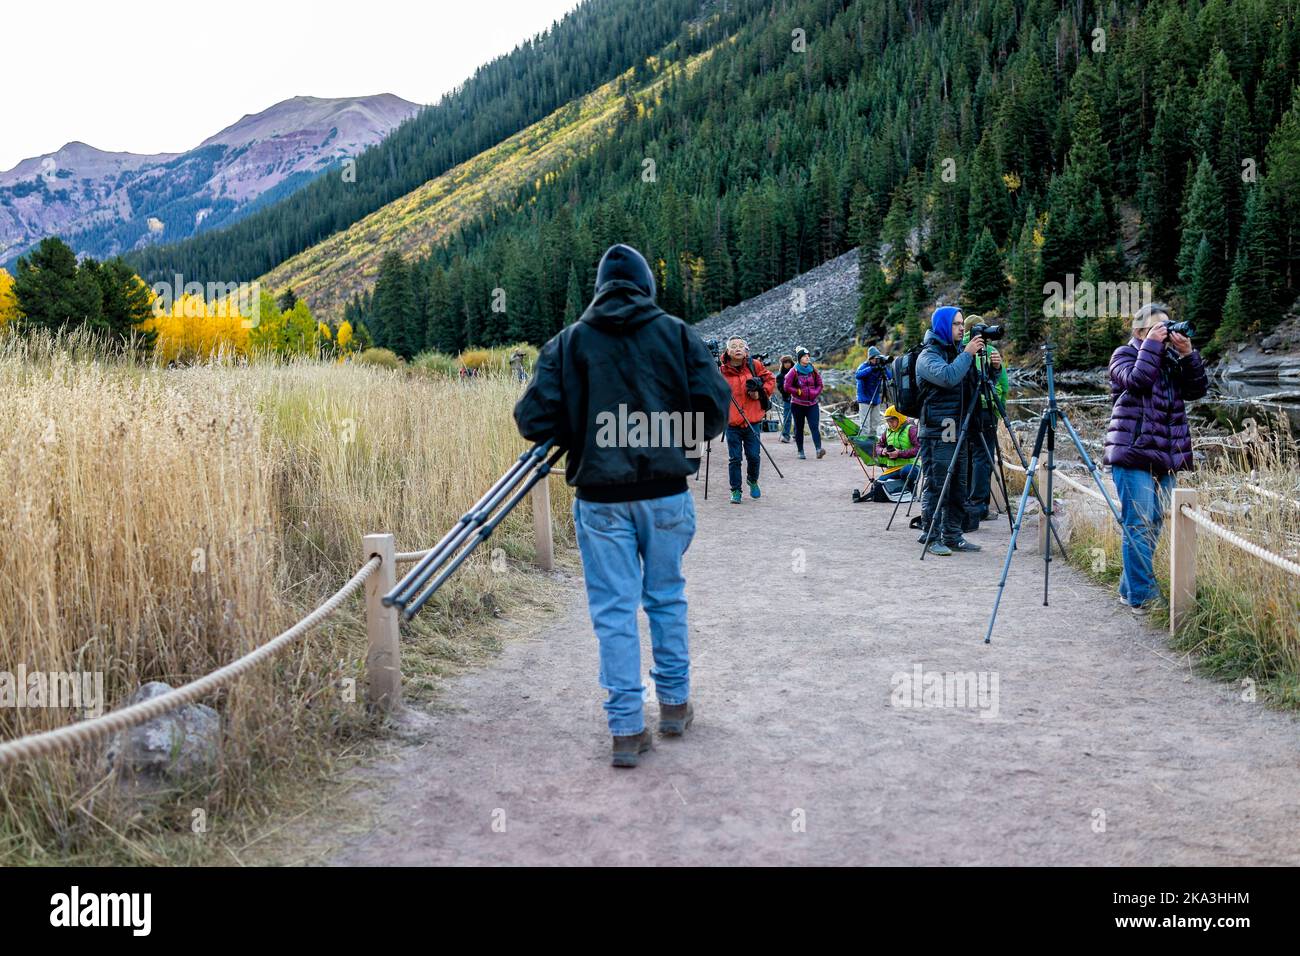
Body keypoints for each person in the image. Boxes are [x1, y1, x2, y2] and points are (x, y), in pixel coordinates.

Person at [513, 243, 730, 767]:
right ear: (647, 285)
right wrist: (671, 435)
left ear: (598, 289)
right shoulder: (677, 334)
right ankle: (675, 707)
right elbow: (715, 408)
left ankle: (627, 731)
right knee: (666, 597)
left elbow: (532, 421)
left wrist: (583, 430)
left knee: (614, 613)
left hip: (602, 501)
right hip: (665, 494)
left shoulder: (569, 344)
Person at [1103, 302, 1207, 613]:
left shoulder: (1171, 360)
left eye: (1168, 326)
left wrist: (1188, 355)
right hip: (1132, 454)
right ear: (1139, 331)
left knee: (1155, 524)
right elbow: (1137, 381)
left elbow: (1198, 389)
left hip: (1165, 457)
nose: (1165, 332)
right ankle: (1143, 597)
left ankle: (1128, 587)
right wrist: (1151, 346)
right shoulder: (1124, 355)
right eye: (1159, 327)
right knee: (1138, 524)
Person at [916, 306, 984, 556]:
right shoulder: (928, 356)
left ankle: (953, 534)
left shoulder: (957, 352)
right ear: (944, 326)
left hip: (959, 427)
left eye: (962, 324)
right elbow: (948, 378)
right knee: (937, 484)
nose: (961, 328)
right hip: (937, 429)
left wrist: (992, 369)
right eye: (956, 324)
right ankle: (931, 535)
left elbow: (969, 385)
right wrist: (967, 354)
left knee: (958, 484)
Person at [960, 320, 1009, 531]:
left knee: (968, 456)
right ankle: (978, 506)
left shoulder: (958, 349)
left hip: (964, 411)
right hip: (985, 410)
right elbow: (1002, 384)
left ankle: (968, 504)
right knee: (984, 458)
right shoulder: (981, 350)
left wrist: (994, 368)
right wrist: (999, 408)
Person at [719, 337, 776, 503]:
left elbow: (770, 380)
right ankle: (736, 490)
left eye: (741, 346)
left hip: (752, 420)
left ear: (746, 350)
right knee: (735, 458)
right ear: (727, 351)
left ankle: (752, 480)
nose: (738, 349)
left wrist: (761, 392)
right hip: (732, 423)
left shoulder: (754, 365)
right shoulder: (720, 370)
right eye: (733, 346)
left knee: (754, 456)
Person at [852, 405, 918, 502]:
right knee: (877, 487)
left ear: (900, 418)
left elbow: (919, 449)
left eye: (892, 421)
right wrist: (882, 451)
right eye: (888, 421)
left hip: (911, 466)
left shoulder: (911, 429)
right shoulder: (887, 432)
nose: (889, 423)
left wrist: (899, 453)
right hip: (892, 468)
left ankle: (912, 492)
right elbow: (878, 446)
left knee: (907, 471)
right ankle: (899, 491)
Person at [783, 347, 826, 460]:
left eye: (808, 356)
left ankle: (818, 450)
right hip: (797, 404)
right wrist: (797, 391)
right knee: (799, 427)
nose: (807, 357)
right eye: (804, 356)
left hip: (812, 404)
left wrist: (815, 393)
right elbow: (786, 386)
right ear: (799, 358)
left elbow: (820, 385)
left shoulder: (813, 370)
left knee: (814, 427)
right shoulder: (794, 371)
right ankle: (800, 451)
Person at [854, 345, 892, 440]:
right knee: (865, 426)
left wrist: (884, 366)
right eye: (875, 358)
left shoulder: (879, 367)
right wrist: (872, 369)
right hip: (864, 399)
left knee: (874, 425)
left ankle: (872, 446)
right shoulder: (864, 366)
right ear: (870, 358)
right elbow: (858, 375)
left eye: (878, 358)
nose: (876, 360)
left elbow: (890, 377)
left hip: (875, 399)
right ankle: (863, 447)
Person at [774, 354, 796, 442]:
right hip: (787, 399)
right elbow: (781, 389)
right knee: (787, 417)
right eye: (785, 363)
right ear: (782, 364)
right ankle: (786, 436)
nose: (787, 364)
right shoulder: (780, 376)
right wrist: (788, 391)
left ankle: (797, 434)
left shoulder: (796, 372)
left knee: (798, 417)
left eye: (789, 362)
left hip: (798, 399)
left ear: (791, 363)